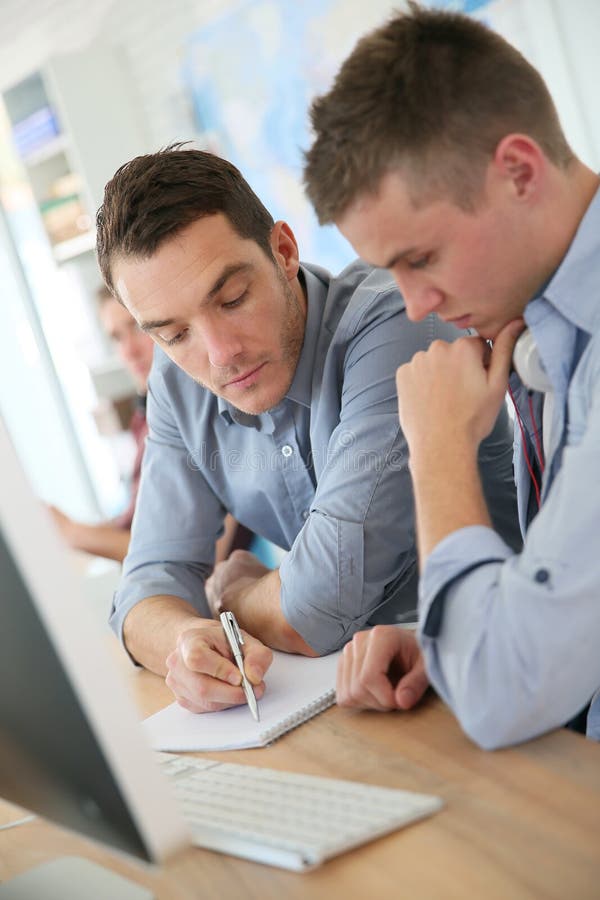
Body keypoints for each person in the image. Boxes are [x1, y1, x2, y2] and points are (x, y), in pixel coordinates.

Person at [95, 146, 520, 713]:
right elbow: (146, 585)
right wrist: (185, 641)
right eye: (173, 334)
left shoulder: (397, 324)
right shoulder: (177, 385)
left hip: (505, 678)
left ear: (284, 251)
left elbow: (319, 603)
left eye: (232, 298)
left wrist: (228, 601)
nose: (220, 354)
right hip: (363, 706)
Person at [304, 3, 600, 746]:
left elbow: (502, 692)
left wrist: (436, 448)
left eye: (422, 258)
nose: (415, 305)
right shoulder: (535, 321)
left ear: (519, 171)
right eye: (390, 272)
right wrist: (449, 640)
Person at [50, 288, 242, 564]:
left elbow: (200, 555)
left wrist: (72, 533)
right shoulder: (144, 420)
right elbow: (142, 526)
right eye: (116, 337)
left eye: (138, 328)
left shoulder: (209, 415)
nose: (128, 351)